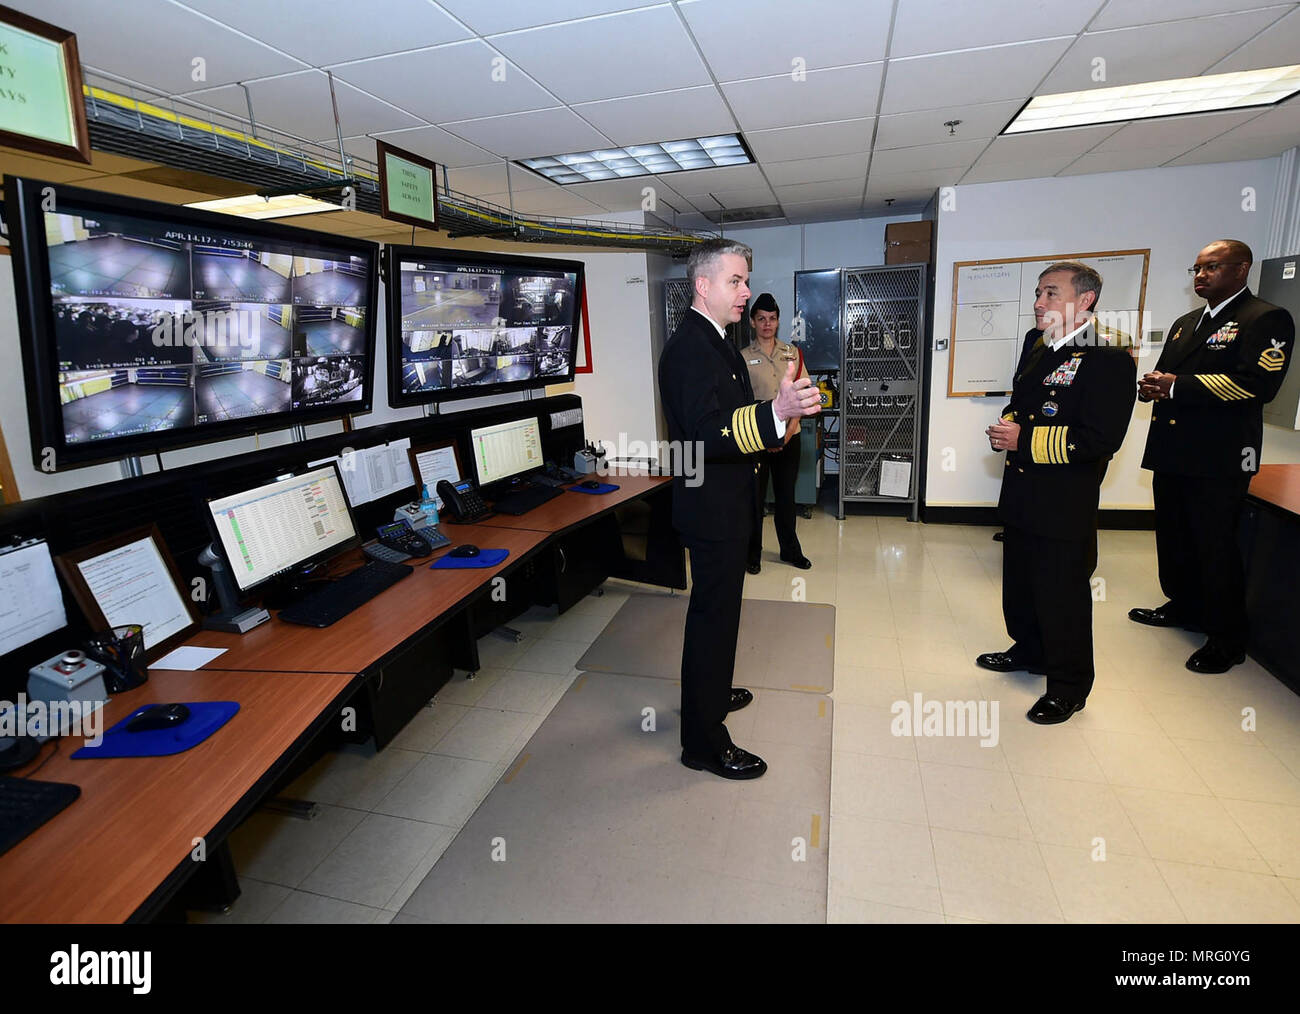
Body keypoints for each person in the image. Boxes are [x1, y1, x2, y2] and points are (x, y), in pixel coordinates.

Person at [658, 239, 821, 777]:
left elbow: (735, 416)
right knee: (714, 620)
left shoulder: (718, 340)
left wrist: (776, 418)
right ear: (703, 285)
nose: (746, 292)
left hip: (726, 501)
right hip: (711, 511)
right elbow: (708, 433)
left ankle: (709, 695)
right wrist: (774, 412)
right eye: (736, 281)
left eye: (747, 280)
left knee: (719, 619)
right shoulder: (689, 349)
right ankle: (703, 743)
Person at [977, 262, 1136, 724]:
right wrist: (1010, 420)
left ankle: (1068, 687)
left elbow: (1101, 438)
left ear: (1084, 301)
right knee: (1022, 582)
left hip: (1065, 498)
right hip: (1024, 488)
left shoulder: (1108, 355)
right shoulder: (1038, 343)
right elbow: (1022, 398)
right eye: (1038, 293)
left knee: (1062, 594)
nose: (1038, 303)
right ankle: (1029, 650)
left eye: (1050, 293)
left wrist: (1023, 440)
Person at [1130, 240, 1294, 673]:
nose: (1201, 276)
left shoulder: (1265, 318)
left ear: (1241, 270)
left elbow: (1259, 386)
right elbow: (1168, 373)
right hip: (1172, 450)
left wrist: (1176, 387)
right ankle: (1184, 605)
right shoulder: (1187, 323)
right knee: (1175, 536)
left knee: (1215, 546)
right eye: (1197, 269)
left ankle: (1226, 638)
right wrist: (1152, 386)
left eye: (1212, 267)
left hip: (1219, 456)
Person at [742, 293, 812, 573]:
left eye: (771, 319)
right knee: (755, 501)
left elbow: (803, 391)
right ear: (752, 322)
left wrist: (789, 431)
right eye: (761, 319)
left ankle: (790, 551)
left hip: (789, 436)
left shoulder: (791, 353)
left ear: (778, 321)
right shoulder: (743, 358)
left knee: (786, 498)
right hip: (755, 440)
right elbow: (741, 402)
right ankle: (752, 555)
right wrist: (763, 437)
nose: (767, 324)